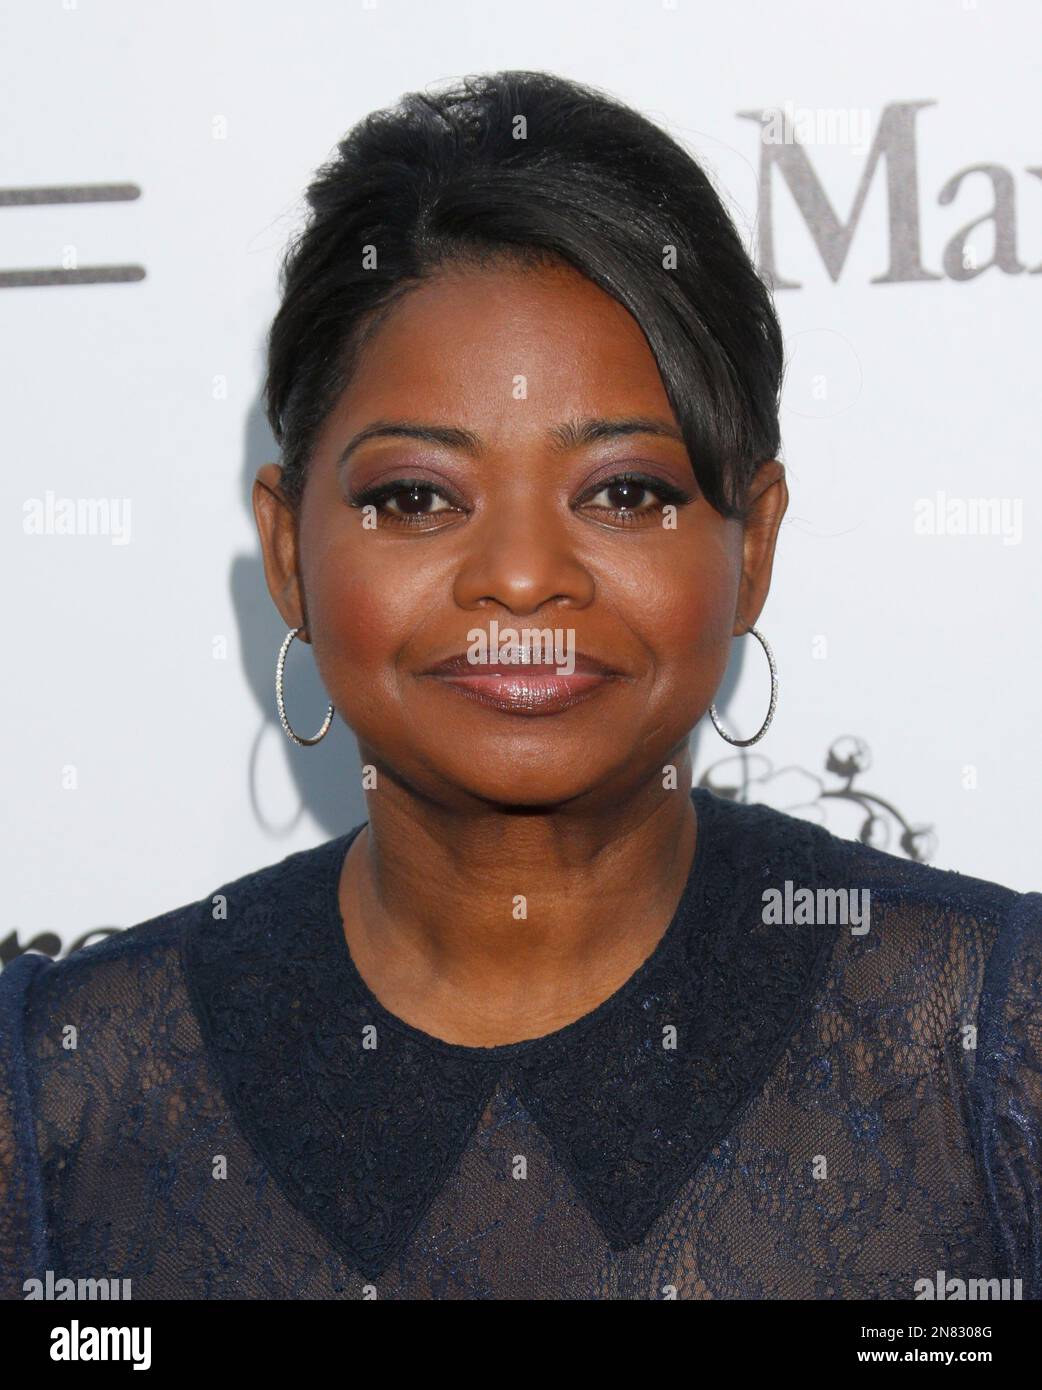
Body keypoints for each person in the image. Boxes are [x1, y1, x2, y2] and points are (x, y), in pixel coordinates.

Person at [1, 70, 1039, 1301]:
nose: (523, 579)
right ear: (287, 551)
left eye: (624, 493)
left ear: (750, 545)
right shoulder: (63, 1096)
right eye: (417, 497)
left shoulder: (985, 1043)